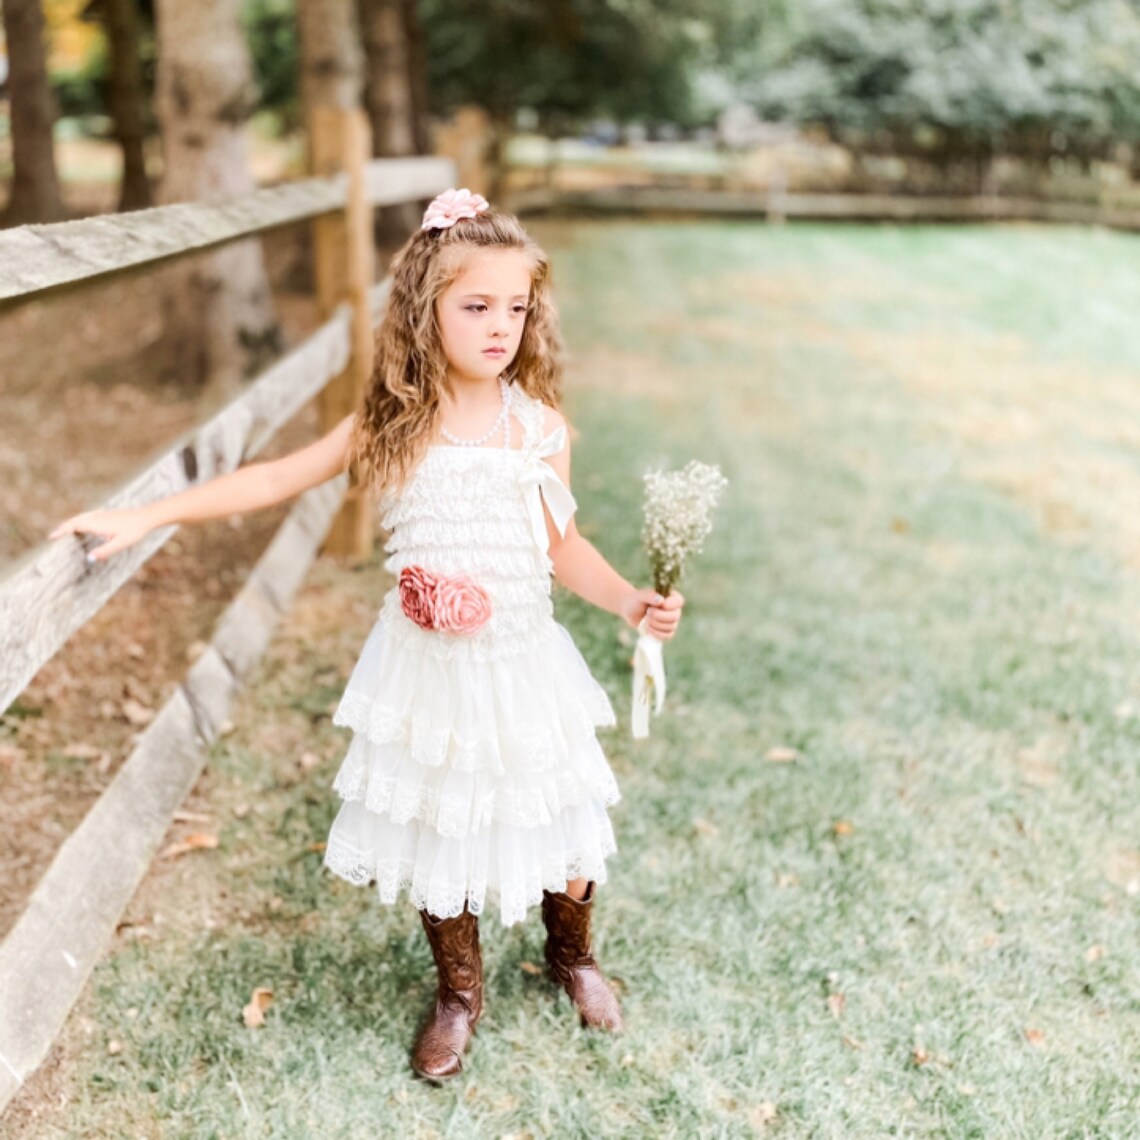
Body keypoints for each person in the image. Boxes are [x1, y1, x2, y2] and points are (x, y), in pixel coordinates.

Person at [49, 188, 685, 1082]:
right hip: (428, 670)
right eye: (476, 306)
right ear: (426, 310)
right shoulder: (394, 424)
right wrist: (147, 513)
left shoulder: (538, 430)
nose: (500, 325)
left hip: (520, 660)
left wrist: (627, 603)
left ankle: (572, 954)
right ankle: (458, 992)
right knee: (441, 832)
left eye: (515, 307)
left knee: (564, 823)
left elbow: (562, 544)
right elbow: (272, 478)